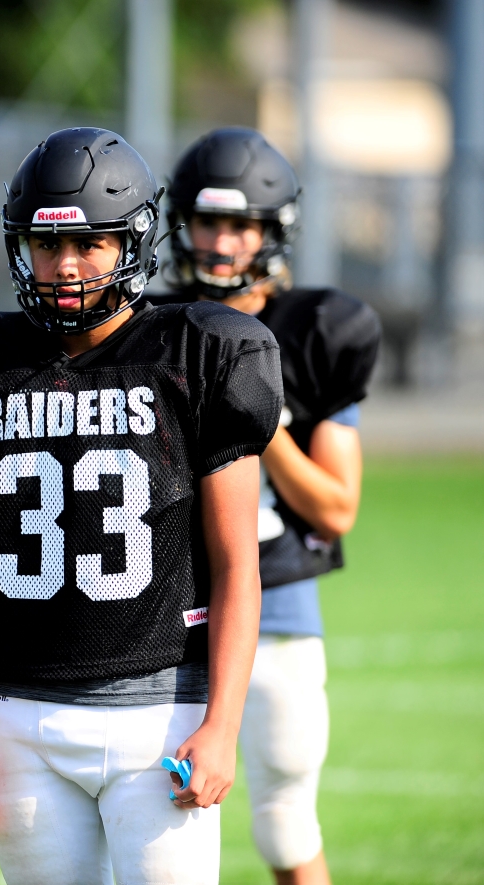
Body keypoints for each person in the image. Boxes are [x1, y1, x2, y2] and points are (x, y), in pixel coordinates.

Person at [0, 127, 284, 885]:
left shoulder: (200, 352)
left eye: (90, 243)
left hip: (159, 710)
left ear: (134, 242)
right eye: (48, 247)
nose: (66, 266)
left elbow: (239, 567)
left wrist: (223, 722)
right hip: (16, 711)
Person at [159, 127, 381, 885]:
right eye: (209, 222)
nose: (222, 242)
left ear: (272, 230)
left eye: (241, 223)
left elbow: (336, 508)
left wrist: (262, 413)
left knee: (286, 828)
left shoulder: (318, 329)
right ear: (179, 225)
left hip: (278, 602)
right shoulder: (149, 327)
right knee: (161, 834)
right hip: (160, 617)